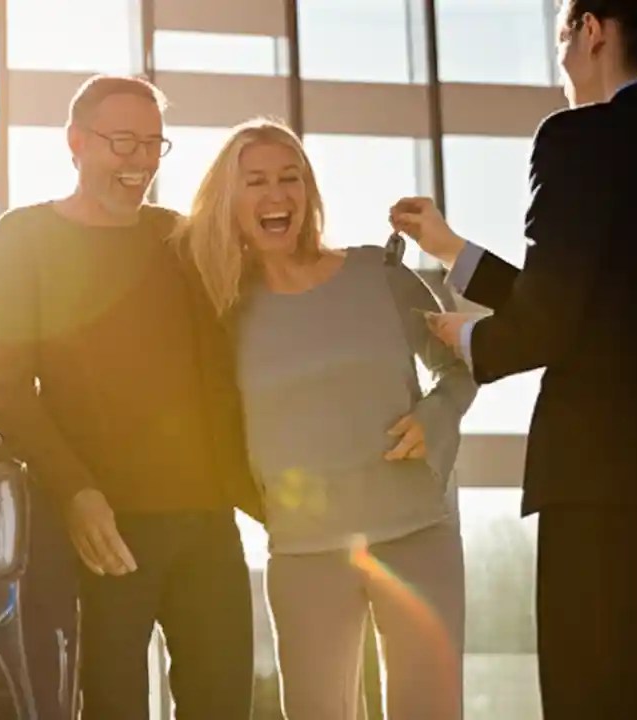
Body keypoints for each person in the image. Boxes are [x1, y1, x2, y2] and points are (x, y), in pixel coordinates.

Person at [0, 74, 262, 719]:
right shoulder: (21, 241)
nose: (139, 162)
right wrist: (76, 493)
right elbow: (6, 390)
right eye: (122, 142)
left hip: (209, 524)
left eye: (153, 145)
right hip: (98, 530)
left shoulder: (186, 241)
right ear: (76, 143)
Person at [389, 2, 637, 716]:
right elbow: (597, 299)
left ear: (592, 30)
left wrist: (470, 343)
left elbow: (555, 319)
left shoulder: (579, 139)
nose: (562, 64)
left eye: (562, 40)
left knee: (597, 694)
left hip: (603, 482)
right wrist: (452, 252)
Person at [180, 117, 477, 720]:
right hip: (304, 550)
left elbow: (462, 366)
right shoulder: (224, 311)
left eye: (290, 178)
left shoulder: (379, 274)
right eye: (256, 181)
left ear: (309, 192)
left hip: (418, 531)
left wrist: (435, 415)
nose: (276, 195)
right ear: (230, 203)